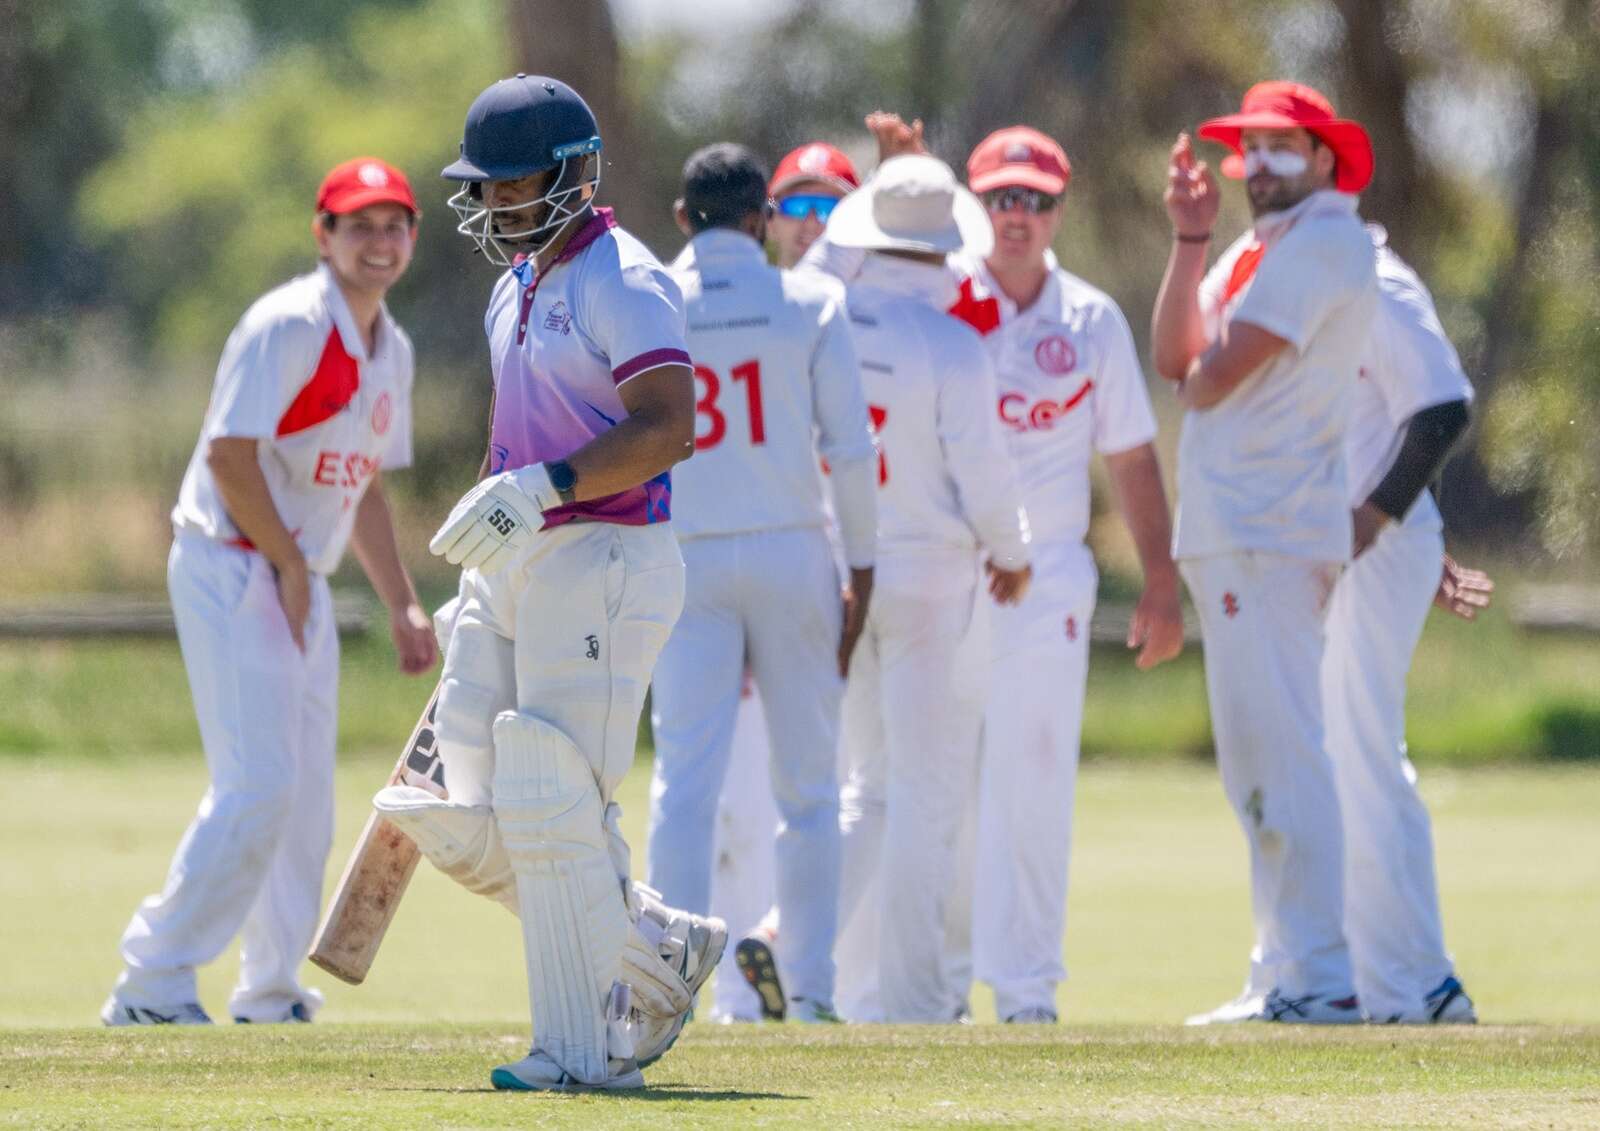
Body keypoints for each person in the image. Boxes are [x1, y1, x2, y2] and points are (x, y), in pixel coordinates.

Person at [372, 75, 723, 1092]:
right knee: (458, 806)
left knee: (551, 796)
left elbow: (670, 427)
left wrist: (545, 487)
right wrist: (495, 530)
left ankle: (583, 1051)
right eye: (484, 186)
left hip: (606, 553)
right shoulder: (513, 285)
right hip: (522, 557)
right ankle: (654, 940)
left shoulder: (625, 277)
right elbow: (523, 434)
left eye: (513, 182)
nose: (494, 202)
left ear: (573, 174)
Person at [102, 158, 436, 1026]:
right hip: (230, 560)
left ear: (413, 238)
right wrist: (288, 564)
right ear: (323, 235)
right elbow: (228, 455)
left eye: (394, 225)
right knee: (258, 785)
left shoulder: (392, 349)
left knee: (306, 803)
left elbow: (364, 484)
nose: (379, 242)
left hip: (296, 573)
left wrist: (400, 601)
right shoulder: (287, 323)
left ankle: (271, 988)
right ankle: (152, 982)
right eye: (359, 226)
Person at [1150, 80, 1379, 1024]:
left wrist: (1201, 370)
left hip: (1274, 527)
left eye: (1287, 145)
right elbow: (1175, 357)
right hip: (1236, 528)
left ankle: (1320, 974)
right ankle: (1282, 969)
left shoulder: (1327, 239)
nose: (1265, 163)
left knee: (1284, 754)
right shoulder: (1252, 249)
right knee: (1254, 761)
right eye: (1255, 146)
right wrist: (1190, 239)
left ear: (1325, 158)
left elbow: (1210, 380)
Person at [957, 125, 1185, 1024]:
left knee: (1037, 775)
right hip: (950, 569)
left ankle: (1026, 991)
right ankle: (928, 985)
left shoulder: (1090, 319)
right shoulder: (941, 298)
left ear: (1059, 209)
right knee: (940, 777)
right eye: (1002, 198)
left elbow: (1130, 456)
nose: (1018, 215)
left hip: (1049, 571)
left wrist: (1160, 581)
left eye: (1036, 200)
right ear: (978, 202)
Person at [646, 143, 877, 1025]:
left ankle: (667, 990)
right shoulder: (813, 301)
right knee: (810, 789)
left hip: (689, 552)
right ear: (762, 218)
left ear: (683, 217)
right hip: (791, 548)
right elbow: (850, 450)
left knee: (684, 785)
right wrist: (863, 568)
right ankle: (810, 986)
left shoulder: (655, 298)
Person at [825, 153, 1033, 1022]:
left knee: (867, 785)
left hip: (839, 572)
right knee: (923, 790)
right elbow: (985, 473)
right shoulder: (951, 343)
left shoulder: (825, 322)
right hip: (927, 579)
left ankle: (787, 944)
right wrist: (1013, 552)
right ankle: (912, 999)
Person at [706, 140, 863, 1025]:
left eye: (829, 207)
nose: (810, 226)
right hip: (769, 574)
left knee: (833, 794)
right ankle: (736, 993)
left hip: (838, 584)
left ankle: (816, 980)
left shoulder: (859, 312)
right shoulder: (759, 308)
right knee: (737, 803)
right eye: (795, 207)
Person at [1320, 226, 1486, 1023]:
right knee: (1342, 758)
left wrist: (1378, 519)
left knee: (1363, 757)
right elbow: (1374, 424)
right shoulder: (1315, 275)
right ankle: (1389, 974)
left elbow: (1442, 410)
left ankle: (1416, 979)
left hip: (1369, 548)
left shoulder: (1374, 279)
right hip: (1358, 545)